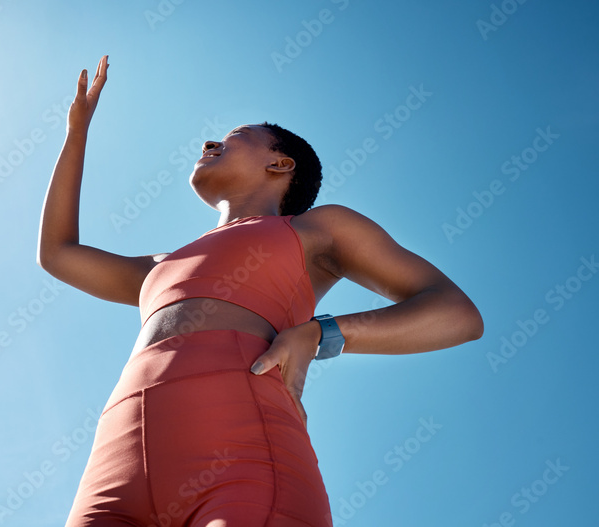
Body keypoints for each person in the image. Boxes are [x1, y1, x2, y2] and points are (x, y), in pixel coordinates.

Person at [36, 55, 483, 527]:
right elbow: (59, 253)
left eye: (235, 136)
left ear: (279, 163)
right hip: (115, 463)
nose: (211, 142)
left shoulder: (316, 228)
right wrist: (77, 133)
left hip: (244, 451)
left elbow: (457, 313)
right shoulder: (161, 266)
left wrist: (321, 332)